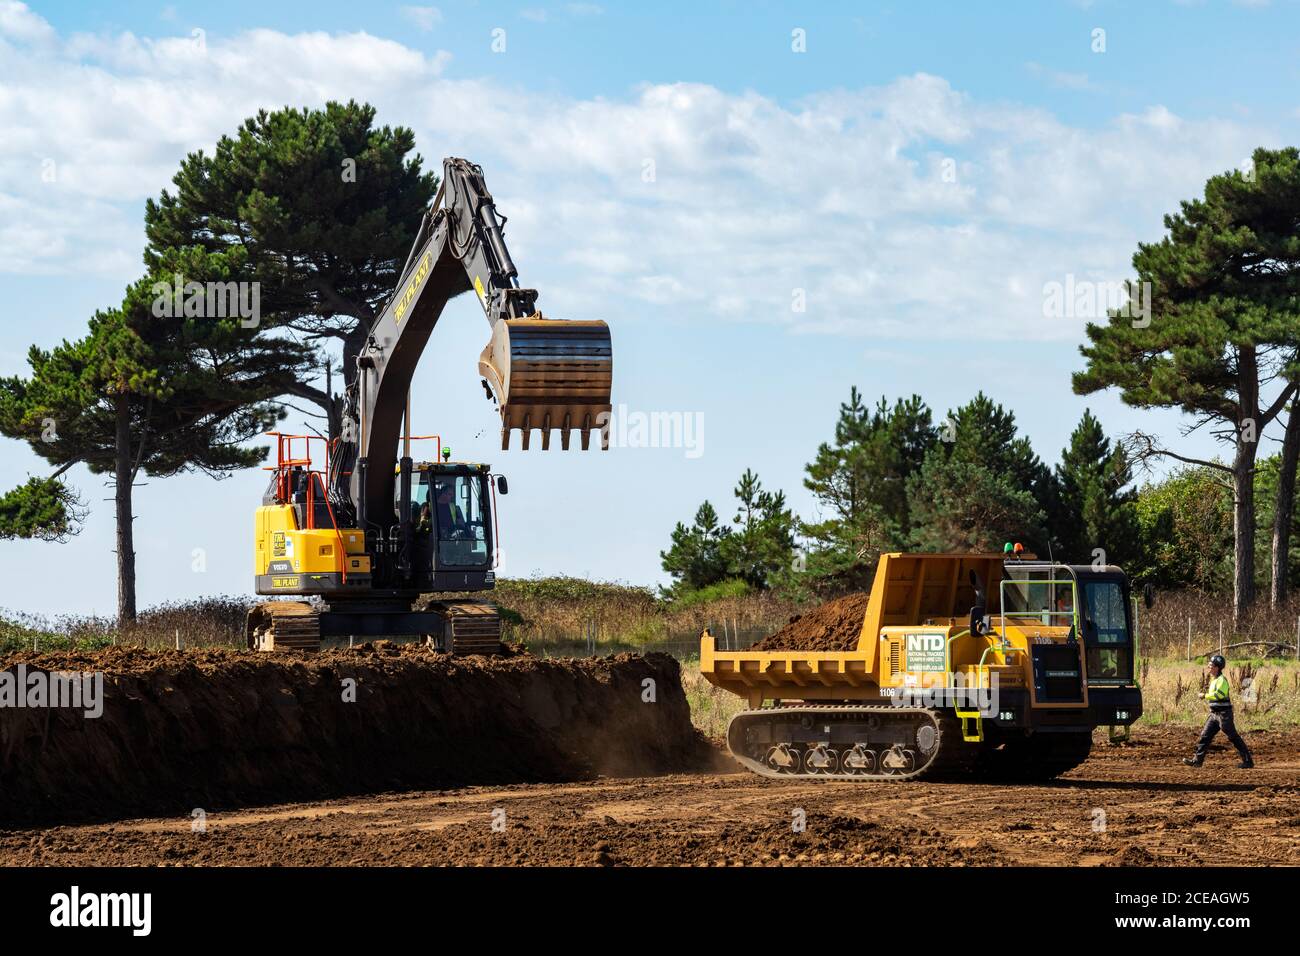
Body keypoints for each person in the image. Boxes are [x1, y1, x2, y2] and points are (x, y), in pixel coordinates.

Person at [1183, 654, 1253, 769]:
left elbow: (1219, 695)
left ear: (1217, 668)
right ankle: (1197, 761)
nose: (1208, 667)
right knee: (1204, 736)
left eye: (1210, 665)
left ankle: (1248, 761)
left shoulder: (1221, 680)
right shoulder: (1215, 680)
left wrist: (1204, 696)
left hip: (1224, 715)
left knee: (1233, 737)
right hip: (1214, 714)